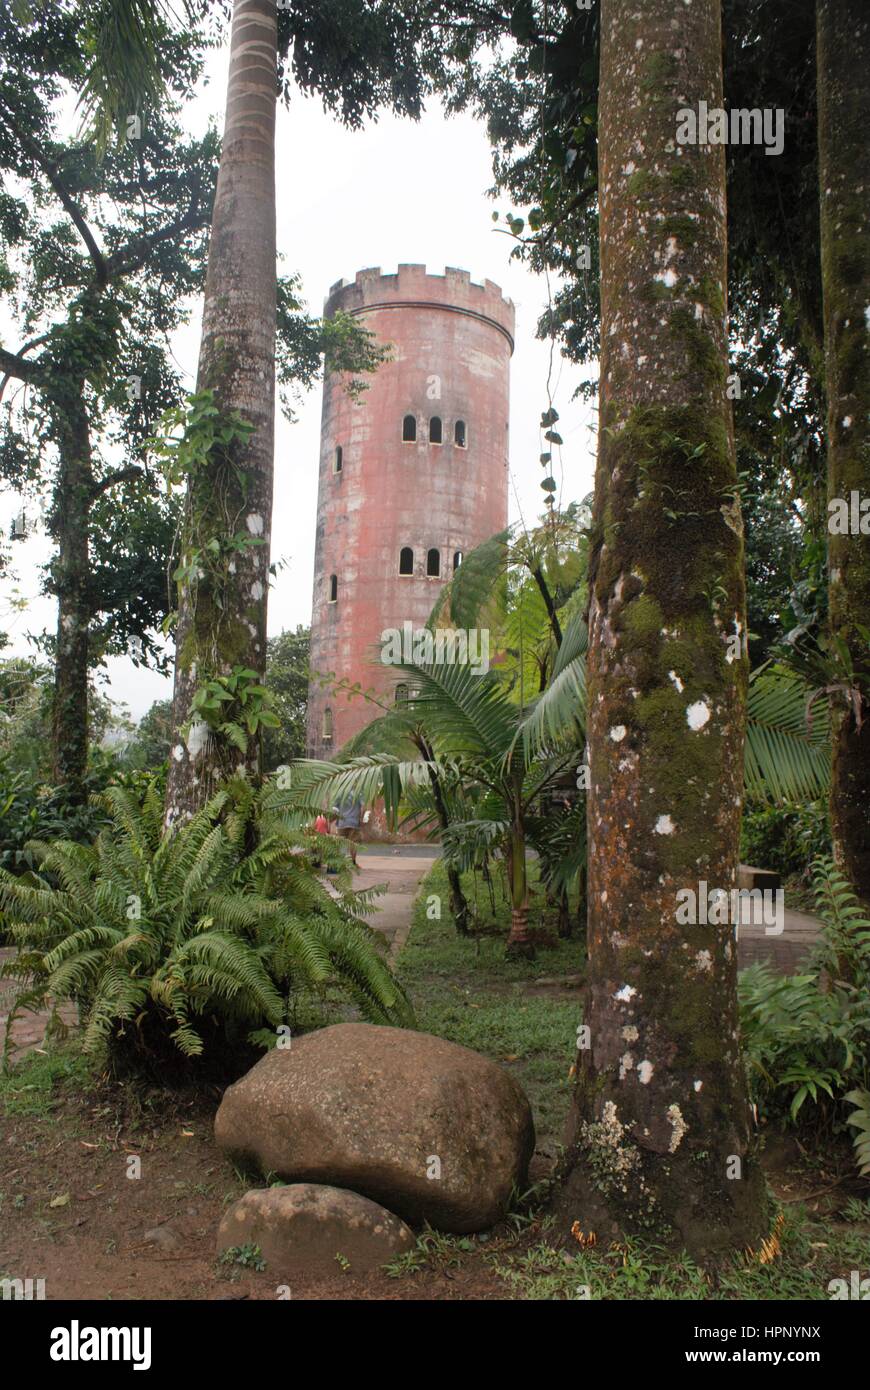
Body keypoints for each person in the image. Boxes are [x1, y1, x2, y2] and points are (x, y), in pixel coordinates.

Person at [333, 795, 363, 867]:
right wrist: (360, 819)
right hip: (354, 822)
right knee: (353, 843)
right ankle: (353, 862)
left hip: (342, 822)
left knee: (340, 843)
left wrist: (334, 820)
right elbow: (362, 808)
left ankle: (339, 863)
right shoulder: (357, 793)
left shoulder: (340, 793)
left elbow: (334, 810)